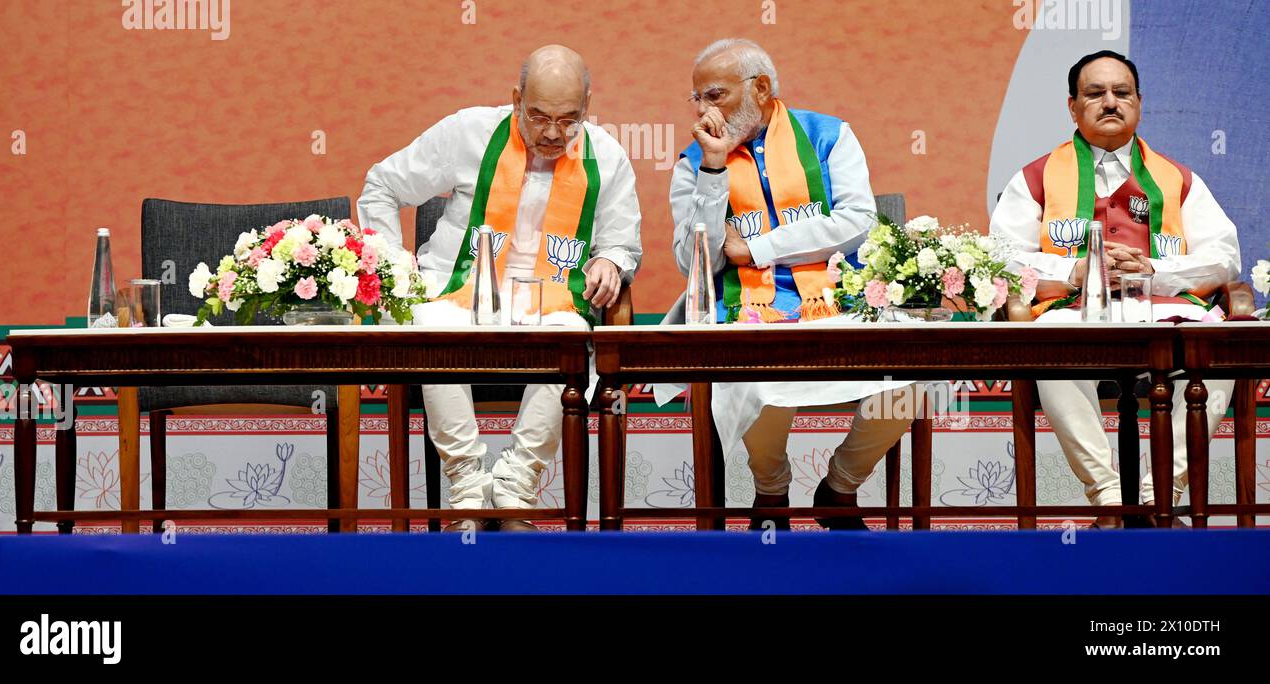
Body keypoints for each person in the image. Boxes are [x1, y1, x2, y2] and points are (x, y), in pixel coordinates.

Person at [357, 45, 642, 532]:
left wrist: (611, 262)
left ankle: (516, 484)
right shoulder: (468, 131)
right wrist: (392, 264)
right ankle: (466, 485)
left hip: (550, 298)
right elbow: (382, 185)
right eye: (539, 116)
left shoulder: (607, 156)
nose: (553, 133)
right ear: (516, 99)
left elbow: (622, 242)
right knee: (429, 327)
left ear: (588, 106)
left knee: (572, 341)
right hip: (456, 290)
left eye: (569, 119)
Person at [669, 38, 922, 530]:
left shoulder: (829, 135)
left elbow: (857, 221)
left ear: (760, 88)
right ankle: (772, 491)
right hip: (746, 308)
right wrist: (714, 170)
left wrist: (757, 247)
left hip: (842, 301)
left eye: (714, 95)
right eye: (696, 98)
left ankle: (841, 487)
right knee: (756, 373)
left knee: (914, 380)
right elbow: (691, 260)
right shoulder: (693, 160)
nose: (703, 110)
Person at [990, 49, 1240, 526]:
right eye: (1095, 93)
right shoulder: (1035, 178)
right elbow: (999, 258)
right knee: (1050, 347)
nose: (1110, 102)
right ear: (1072, 106)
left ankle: (1152, 497)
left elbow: (1225, 255)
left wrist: (1153, 269)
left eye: (1121, 93)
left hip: (1160, 312)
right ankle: (1108, 498)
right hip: (1075, 313)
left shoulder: (1180, 180)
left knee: (1219, 358)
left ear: (1139, 103)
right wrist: (1074, 273)